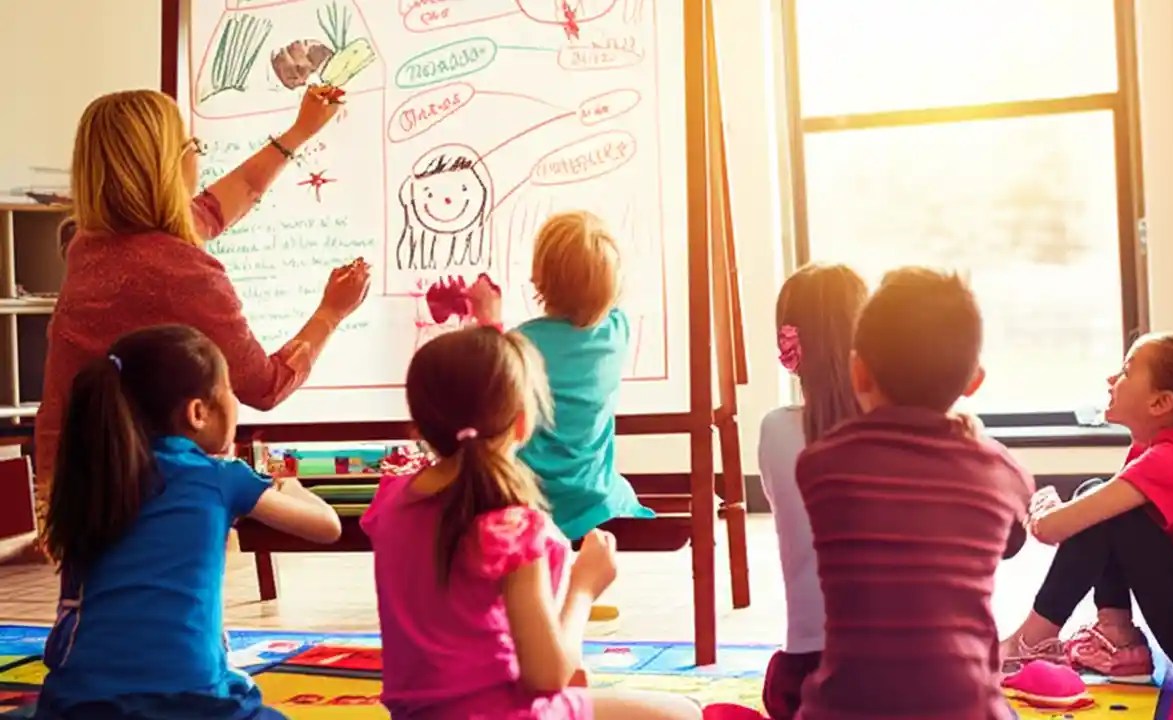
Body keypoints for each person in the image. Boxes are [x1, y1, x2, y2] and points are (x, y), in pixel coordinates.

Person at [24, 87, 371, 562]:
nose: (198, 158)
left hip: (81, 495)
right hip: (156, 509)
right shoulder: (180, 271)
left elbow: (230, 196)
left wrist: (299, 131)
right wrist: (331, 313)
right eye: (194, 147)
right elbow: (264, 385)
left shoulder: (91, 244)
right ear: (172, 165)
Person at [361, 326, 700, 720]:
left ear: (418, 429)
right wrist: (584, 589)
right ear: (522, 424)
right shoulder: (514, 529)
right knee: (682, 713)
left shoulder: (387, 504)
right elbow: (549, 677)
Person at [35, 325, 342, 719]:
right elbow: (326, 526)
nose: (235, 402)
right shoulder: (218, 475)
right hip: (189, 702)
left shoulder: (92, 476)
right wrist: (290, 485)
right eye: (229, 392)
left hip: (76, 704)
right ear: (198, 412)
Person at [794, 268, 1033, 720]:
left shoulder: (820, 465)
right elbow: (1009, 544)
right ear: (973, 383)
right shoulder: (1004, 472)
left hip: (845, 709)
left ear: (857, 371)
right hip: (962, 707)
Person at [1002, 332, 1173, 691]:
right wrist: (1060, 515)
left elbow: (1051, 530)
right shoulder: (1167, 454)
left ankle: (1030, 643)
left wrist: (1040, 507)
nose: (1111, 379)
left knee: (1107, 510)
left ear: (1161, 402)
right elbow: (1083, 530)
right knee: (1098, 498)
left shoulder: (1169, 462)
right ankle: (1119, 640)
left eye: (1126, 371)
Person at [757, 263, 868, 720]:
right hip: (908, 673)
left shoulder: (776, 430)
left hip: (809, 679)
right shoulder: (899, 429)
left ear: (790, 344)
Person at [513, 211, 654, 541]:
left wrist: (485, 318)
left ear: (538, 276)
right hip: (596, 501)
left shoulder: (519, 343)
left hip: (530, 503)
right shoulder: (617, 332)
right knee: (620, 489)